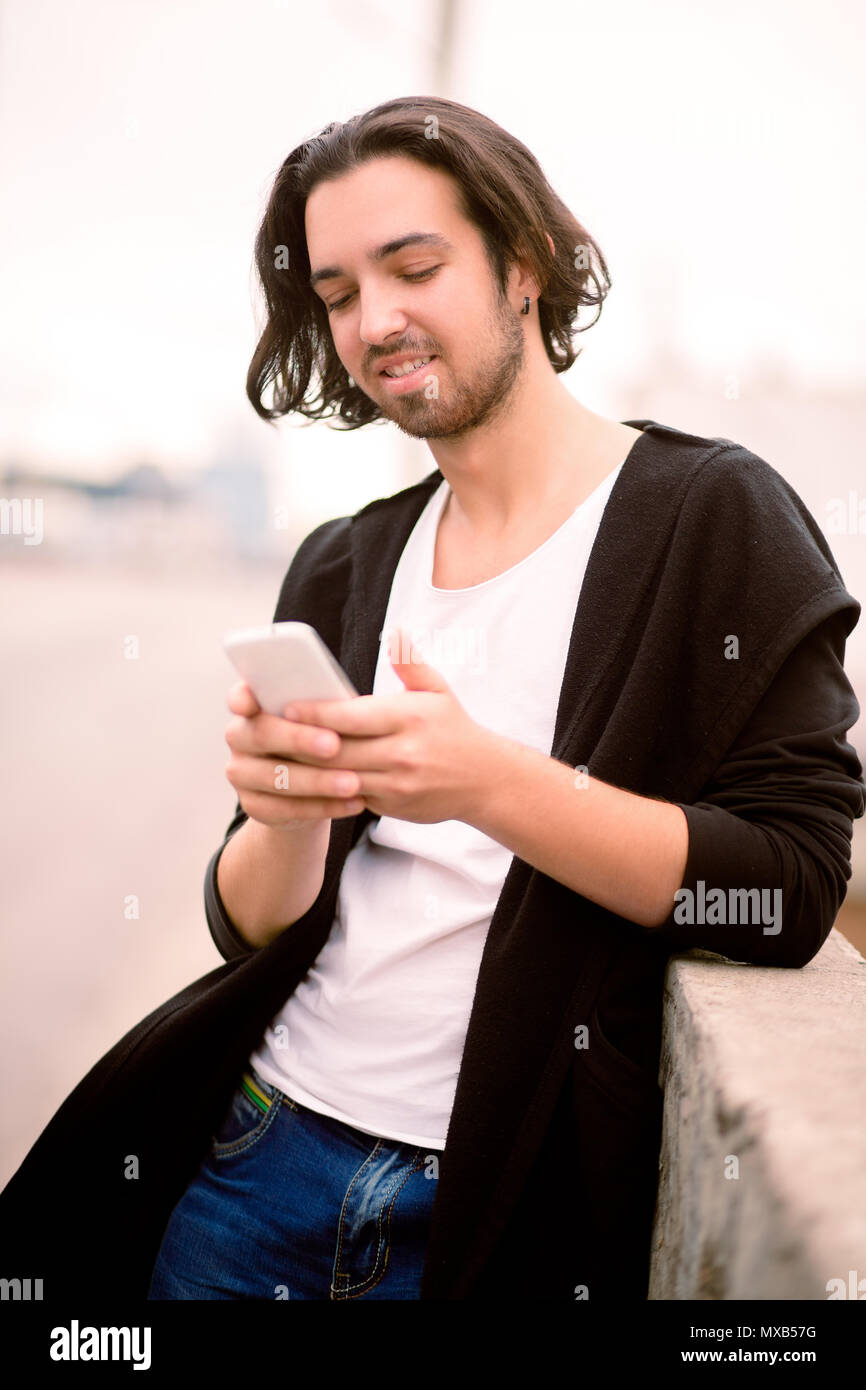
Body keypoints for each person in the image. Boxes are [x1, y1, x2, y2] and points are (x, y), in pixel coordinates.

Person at [2, 95, 863, 1304]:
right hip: (254, 1154)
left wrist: (488, 783)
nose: (374, 321)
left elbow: (785, 885)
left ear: (521, 264)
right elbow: (245, 921)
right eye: (340, 292)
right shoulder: (344, 561)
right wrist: (288, 810)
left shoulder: (711, 517)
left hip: (497, 1206)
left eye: (413, 266)